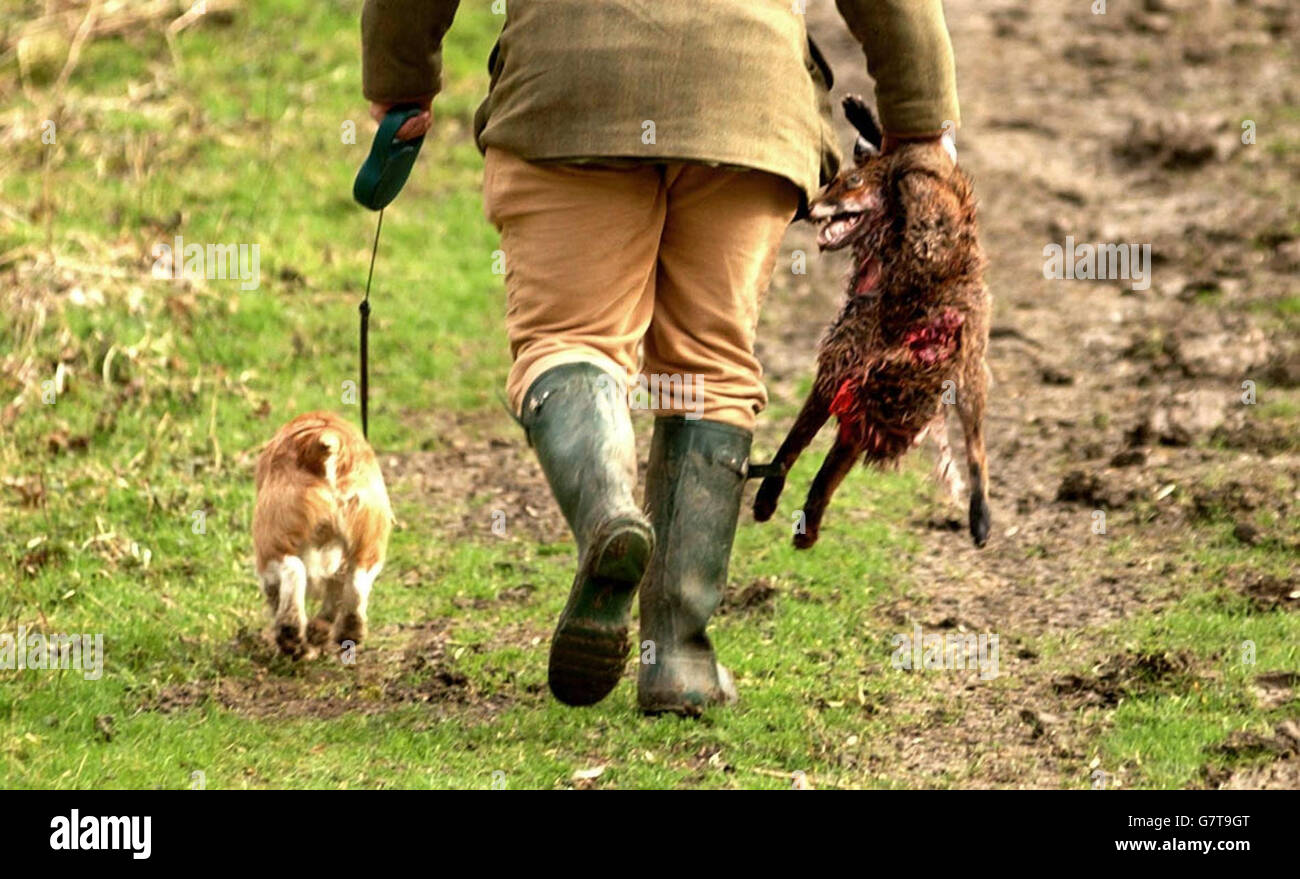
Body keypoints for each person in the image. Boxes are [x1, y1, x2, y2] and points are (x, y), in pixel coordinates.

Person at [361, 0, 959, 715]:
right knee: (710, 369)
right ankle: (677, 656)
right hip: (745, 101)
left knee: (568, 341)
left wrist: (401, 80)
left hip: (571, 89)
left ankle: (609, 510)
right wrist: (919, 117)